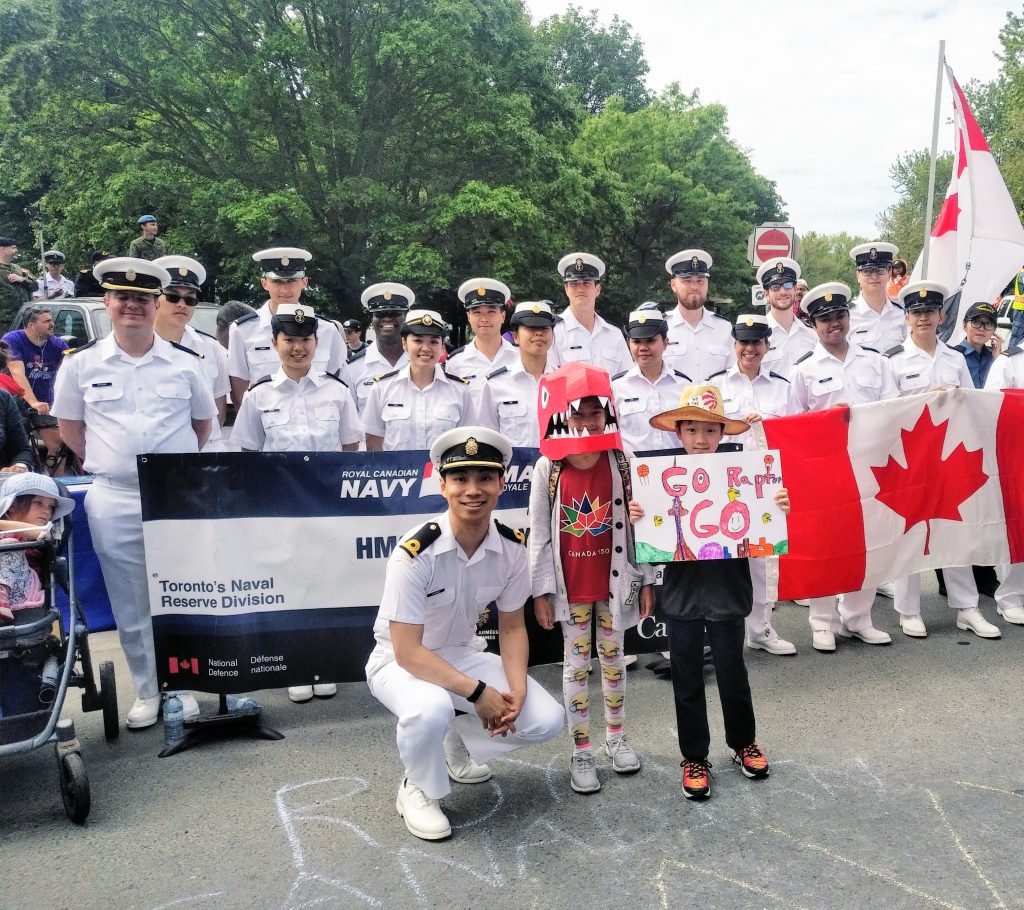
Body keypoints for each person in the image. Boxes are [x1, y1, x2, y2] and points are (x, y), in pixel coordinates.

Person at [365, 425, 564, 841]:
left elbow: (512, 626)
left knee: (546, 720)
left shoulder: (512, 548)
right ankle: (418, 785)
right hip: (398, 663)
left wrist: (515, 692)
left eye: (485, 478)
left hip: (461, 653)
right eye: (460, 478)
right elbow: (408, 652)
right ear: (443, 485)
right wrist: (478, 694)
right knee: (430, 708)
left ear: (501, 483)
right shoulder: (415, 553)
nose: (473, 490)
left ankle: (456, 743)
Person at [52, 257, 217, 730]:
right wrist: (116, 463)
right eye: (123, 297)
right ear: (107, 303)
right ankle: (148, 688)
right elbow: (70, 430)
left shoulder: (185, 364)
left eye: (143, 299)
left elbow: (202, 426)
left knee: (182, 594)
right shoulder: (81, 364)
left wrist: (170, 471)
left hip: (174, 497)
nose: (133, 306)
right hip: (116, 497)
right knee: (130, 601)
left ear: (155, 305)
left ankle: (183, 685)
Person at [635, 385, 789, 800]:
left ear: (722, 433)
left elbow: (766, 519)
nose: (700, 439)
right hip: (681, 593)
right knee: (685, 677)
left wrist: (776, 504)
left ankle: (743, 743)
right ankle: (694, 757)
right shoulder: (659, 480)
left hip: (728, 589)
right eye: (691, 430)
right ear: (678, 433)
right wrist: (639, 515)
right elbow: (648, 534)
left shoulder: (743, 475)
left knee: (732, 674)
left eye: (709, 430)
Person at [529, 363, 655, 794]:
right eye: (577, 413)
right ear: (563, 416)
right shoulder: (549, 467)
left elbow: (643, 526)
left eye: (594, 413)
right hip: (572, 587)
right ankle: (581, 748)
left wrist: (647, 580)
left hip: (613, 583)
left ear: (607, 414)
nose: (587, 421)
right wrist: (541, 592)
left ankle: (615, 737)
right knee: (576, 666)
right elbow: (539, 534)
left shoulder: (622, 460)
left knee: (615, 660)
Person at [233, 302, 360, 702]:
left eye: (305, 339)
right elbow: (249, 454)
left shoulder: (337, 392)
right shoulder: (259, 394)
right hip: (281, 510)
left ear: (316, 343)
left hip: (327, 508)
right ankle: (296, 664)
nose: (298, 347)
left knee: (327, 585)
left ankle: (325, 662)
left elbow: (350, 449)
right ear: (275, 343)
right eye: (289, 339)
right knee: (288, 587)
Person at [884, 282, 1000, 640]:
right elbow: (885, 412)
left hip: (949, 458)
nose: (924, 318)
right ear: (907, 318)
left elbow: (972, 404)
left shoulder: (954, 358)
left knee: (955, 531)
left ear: (941, 317)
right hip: (912, 460)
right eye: (917, 312)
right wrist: (923, 402)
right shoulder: (893, 360)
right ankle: (908, 609)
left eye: (930, 312)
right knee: (910, 533)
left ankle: (966, 608)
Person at [789, 282, 897, 652]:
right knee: (825, 546)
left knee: (868, 543)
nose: (834, 323)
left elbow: (892, 410)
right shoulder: (803, 370)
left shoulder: (876, 362)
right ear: (813, 324)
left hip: (871, 466)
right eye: (825, 319)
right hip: (826, 473)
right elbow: (795, 425)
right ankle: (822, 622)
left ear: (848, 317)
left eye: (839, 316)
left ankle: (858, 618)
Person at [707, 314, 796, 656]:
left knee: (761, 559)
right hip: (723, 483)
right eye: (744, 342)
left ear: (766, 346)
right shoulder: (715, 385)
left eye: (756, 342)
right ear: (734, 345)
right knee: (722, 559)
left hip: (765, 485)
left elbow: (796, 433)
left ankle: (759, 629)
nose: (750, 349)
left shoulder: (783, 387)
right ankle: (721, 632)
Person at [227, 247, 349, 408]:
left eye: (292, 281)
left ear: (304, 282)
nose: (284, 289)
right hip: (266, 420)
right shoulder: (243, 331)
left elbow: (339, 385)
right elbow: (239, 390)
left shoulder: (327, 330)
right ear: (264, 283)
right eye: (277, 281)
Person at [0, 473, 76, 718]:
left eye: (51, 507)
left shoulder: (45, 532)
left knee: (8, 547)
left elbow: (41, 533)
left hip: (21, 595)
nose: (46, 511)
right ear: (13, 506)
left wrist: (31, 531)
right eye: (38, 503)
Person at [362, 310, 473, 451]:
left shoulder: (460, 390)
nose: (426, 348)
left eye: (434, 342)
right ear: (404, 343)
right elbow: (374, 441)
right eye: (418, 341)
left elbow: (467, 439)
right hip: (398, 466)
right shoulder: (382, 388)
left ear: (442, 347)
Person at [476, 300, 557, 446]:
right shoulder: (496, 384)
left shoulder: (565, 380)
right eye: (531, 328)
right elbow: (487, 437)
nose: (539, 333)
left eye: (545, 328)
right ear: (516, 337)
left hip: (557, 460)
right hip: (513, 461)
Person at [611, 307, 691, 453]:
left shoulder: (685, 387)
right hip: (633, 466)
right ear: (629, 344)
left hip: (678, 465)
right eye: (636, 342)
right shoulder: (616, 387)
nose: (643, 348)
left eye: (650, 341)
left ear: (665, 343)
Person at [551, 252, 631, 376]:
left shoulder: (614, 334)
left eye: (586, 283)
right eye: (573, 284)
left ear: (597, 289)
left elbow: (627, 378)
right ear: (566, 289)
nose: (580, 289)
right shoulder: (553, 332)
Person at [662, 249, 735, 382]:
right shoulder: (661, 327)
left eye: (700, 281)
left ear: (707, 285)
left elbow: (733, 377)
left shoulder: (724, 328)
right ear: (673, 285)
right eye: (687, 281)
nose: (694, 287)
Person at [444, 278, 518, 407]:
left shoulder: (520, 357)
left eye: (491, 312)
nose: (484, 319)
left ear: (503, 316)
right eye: (477, 312)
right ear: (468, 317)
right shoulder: (455, 363)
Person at [347, 282, 411, 414]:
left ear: (405, 318)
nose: (387, 318)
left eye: (394, 313)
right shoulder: (352, 368)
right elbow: (349, 417)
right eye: (380, 314)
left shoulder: (420, 362)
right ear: (372, 321)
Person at [755, 258, 816, 378]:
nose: (783, 292)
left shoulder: (812, 335)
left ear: (795, 289)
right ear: (766, 294)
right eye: (775, 287)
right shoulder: (756, 336)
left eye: (788, 285)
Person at [2, 305, 69, 414]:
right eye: (46, 321)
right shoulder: (13, 339)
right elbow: (17, 372)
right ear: (31, 325)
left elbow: (72, 370)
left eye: (51, 320)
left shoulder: (58, 344)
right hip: (13, 403)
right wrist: (33, 402)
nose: (52, 324)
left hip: (45, 403)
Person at [847, 242, 907, 352]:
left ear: (889, 274)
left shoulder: (902, 315)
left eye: (880, 270)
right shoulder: (847, 317)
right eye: (867, 271)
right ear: (858, 276)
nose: (874, 276)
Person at [953, 301, 1001, 389]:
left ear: (994, 330)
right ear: (964, 325)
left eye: (988, 324)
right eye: (976, 322)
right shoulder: (953, 356)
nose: (982, 329)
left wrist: (998, 360)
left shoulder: (994, 357)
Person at [0, 236, 34, 327]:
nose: (16, 250)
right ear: (3, 249)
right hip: (4, 322)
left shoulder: (18, 269)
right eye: (13, 248)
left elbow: (35, 286)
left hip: (24, 318)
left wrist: (22, 280)